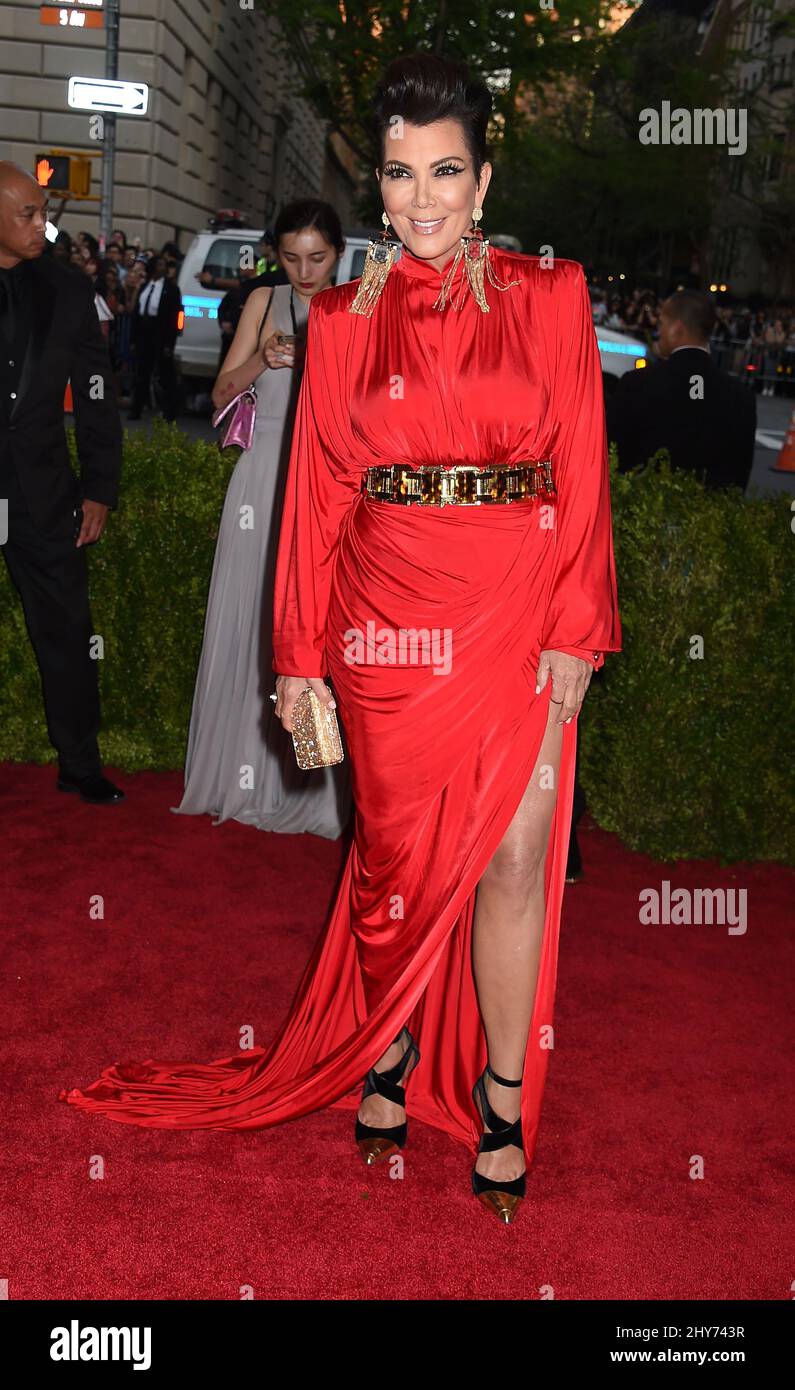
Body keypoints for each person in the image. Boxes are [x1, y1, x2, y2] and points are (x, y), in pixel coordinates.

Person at [59, 56, 621, 1224]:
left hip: (519, 603)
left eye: (447, 172)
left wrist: (579, 624)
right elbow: (313, 497)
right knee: (395, 858)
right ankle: (386, 1049)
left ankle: (504, 1100)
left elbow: (581, 464)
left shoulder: (552, 295)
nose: (423, 200)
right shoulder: (338, 319)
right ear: (381, 180)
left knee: (516, 855)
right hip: (387, 618)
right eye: (402, 174)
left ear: (483, 174)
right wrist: (303, 655)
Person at [173, 199, 352, 837]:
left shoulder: (361, 304)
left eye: (318, 257)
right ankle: (239, 775)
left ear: (339, 252)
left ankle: (315, 790)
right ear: (274, 254)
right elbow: (220, 392)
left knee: (314, 635)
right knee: (256, 626)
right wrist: (263, 361)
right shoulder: (263, 303)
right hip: (263, 482)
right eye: (290, 257)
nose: (305, 271)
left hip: (330, 486)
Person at [0, 162, 124, 804]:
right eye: (26, 213)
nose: (41, 223)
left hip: (43, 493)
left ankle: (79, 762)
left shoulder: (70, 291)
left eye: (41, 209)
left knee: (68, 633)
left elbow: (99, 396)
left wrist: (99, 488)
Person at [607, 289, 756, 490]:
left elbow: (613, 455)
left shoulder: (637, 383)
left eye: (661, 323)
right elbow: (738, 477)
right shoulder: (741, 397)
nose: (657, 331)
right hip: (710, 516)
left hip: (644, 509)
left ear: (676, 329)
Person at [128, 254, 182, 421]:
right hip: (144, 333)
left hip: (161, 333)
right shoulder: (145, 286)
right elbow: (136, 314)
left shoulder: (171, 289)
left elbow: (174, 317)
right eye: (158, 264)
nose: (162, 268)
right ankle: (136, 409)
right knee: (141, 373)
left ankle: (169, 412)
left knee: (166, 375)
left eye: (163, 265)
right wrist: (133, 339)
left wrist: (169, 344)